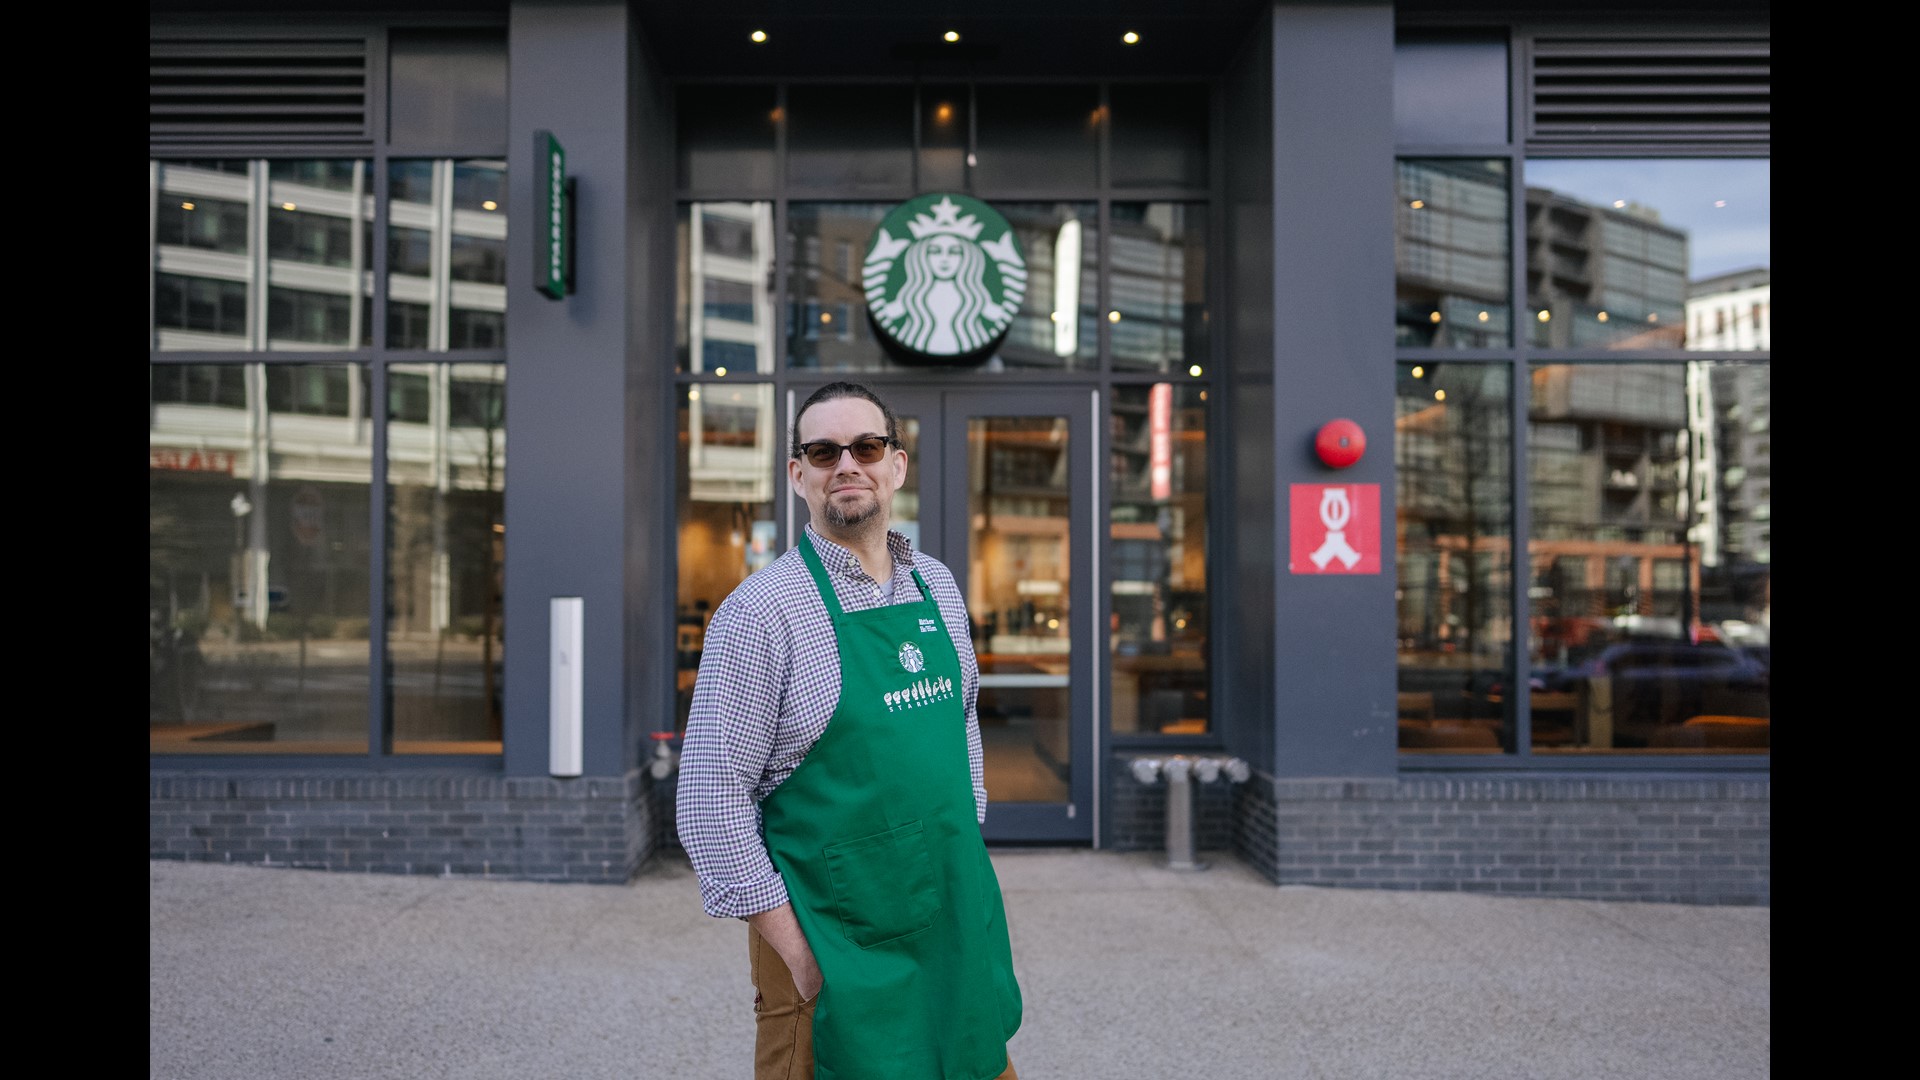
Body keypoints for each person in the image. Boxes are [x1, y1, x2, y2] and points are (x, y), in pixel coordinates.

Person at [677, 381, 1023, 1080]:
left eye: (866, 446)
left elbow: (962, 730)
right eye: (824, 450)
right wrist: (799, 957)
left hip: (949, 919)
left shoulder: (938, 586)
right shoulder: (760, 613)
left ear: (896, 465)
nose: (847, 465)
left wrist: (962, 849)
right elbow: (710, 801)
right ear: (798, 475)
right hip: (831, 940)